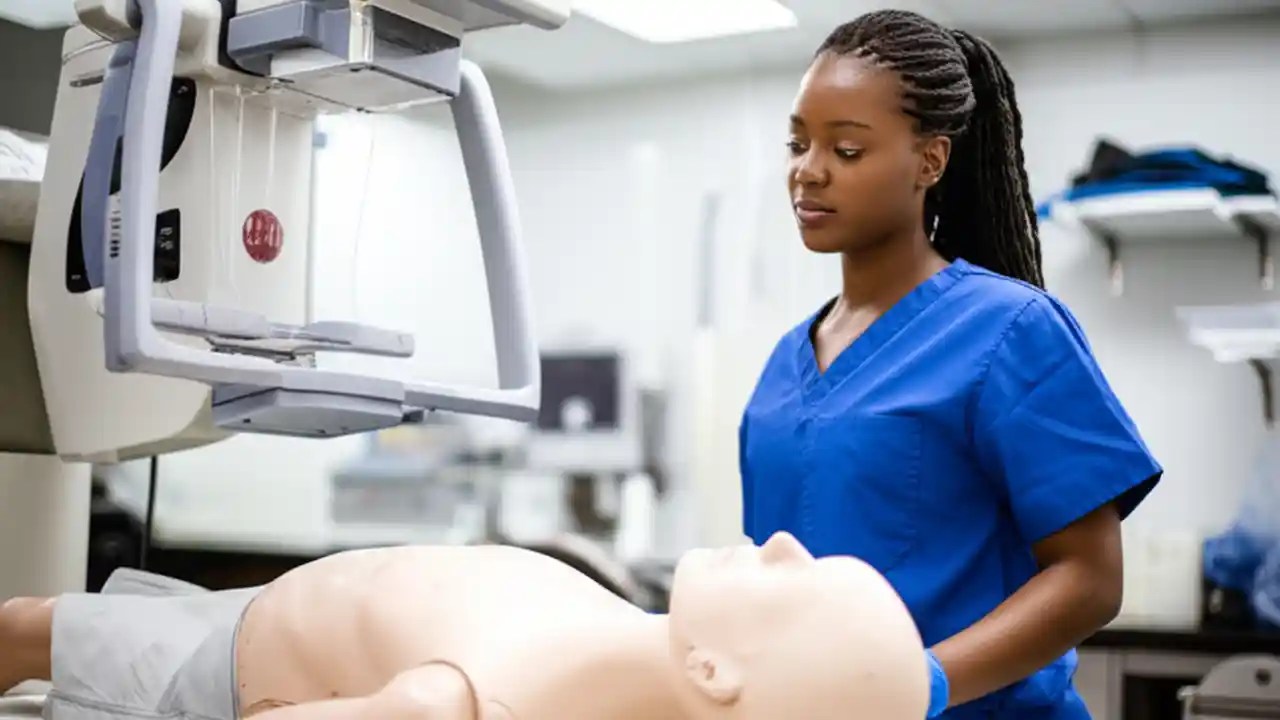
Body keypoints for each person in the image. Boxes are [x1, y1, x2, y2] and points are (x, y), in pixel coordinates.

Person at [738, 9, 1162, 720]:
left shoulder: (1011, 331)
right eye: (798, 143)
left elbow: (1090, 578)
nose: (808, 172)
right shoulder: (784, 366)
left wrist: (919, 684)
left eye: (845, 150)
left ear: (930, 162)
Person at [0, 531, 927, 720]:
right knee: (29, 626)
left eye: (798, 582)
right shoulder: (635, 639)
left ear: (719, 674)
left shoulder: (471, 700)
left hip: (231, 670)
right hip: (277, 617)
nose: (787, 543)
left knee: (19, 632)